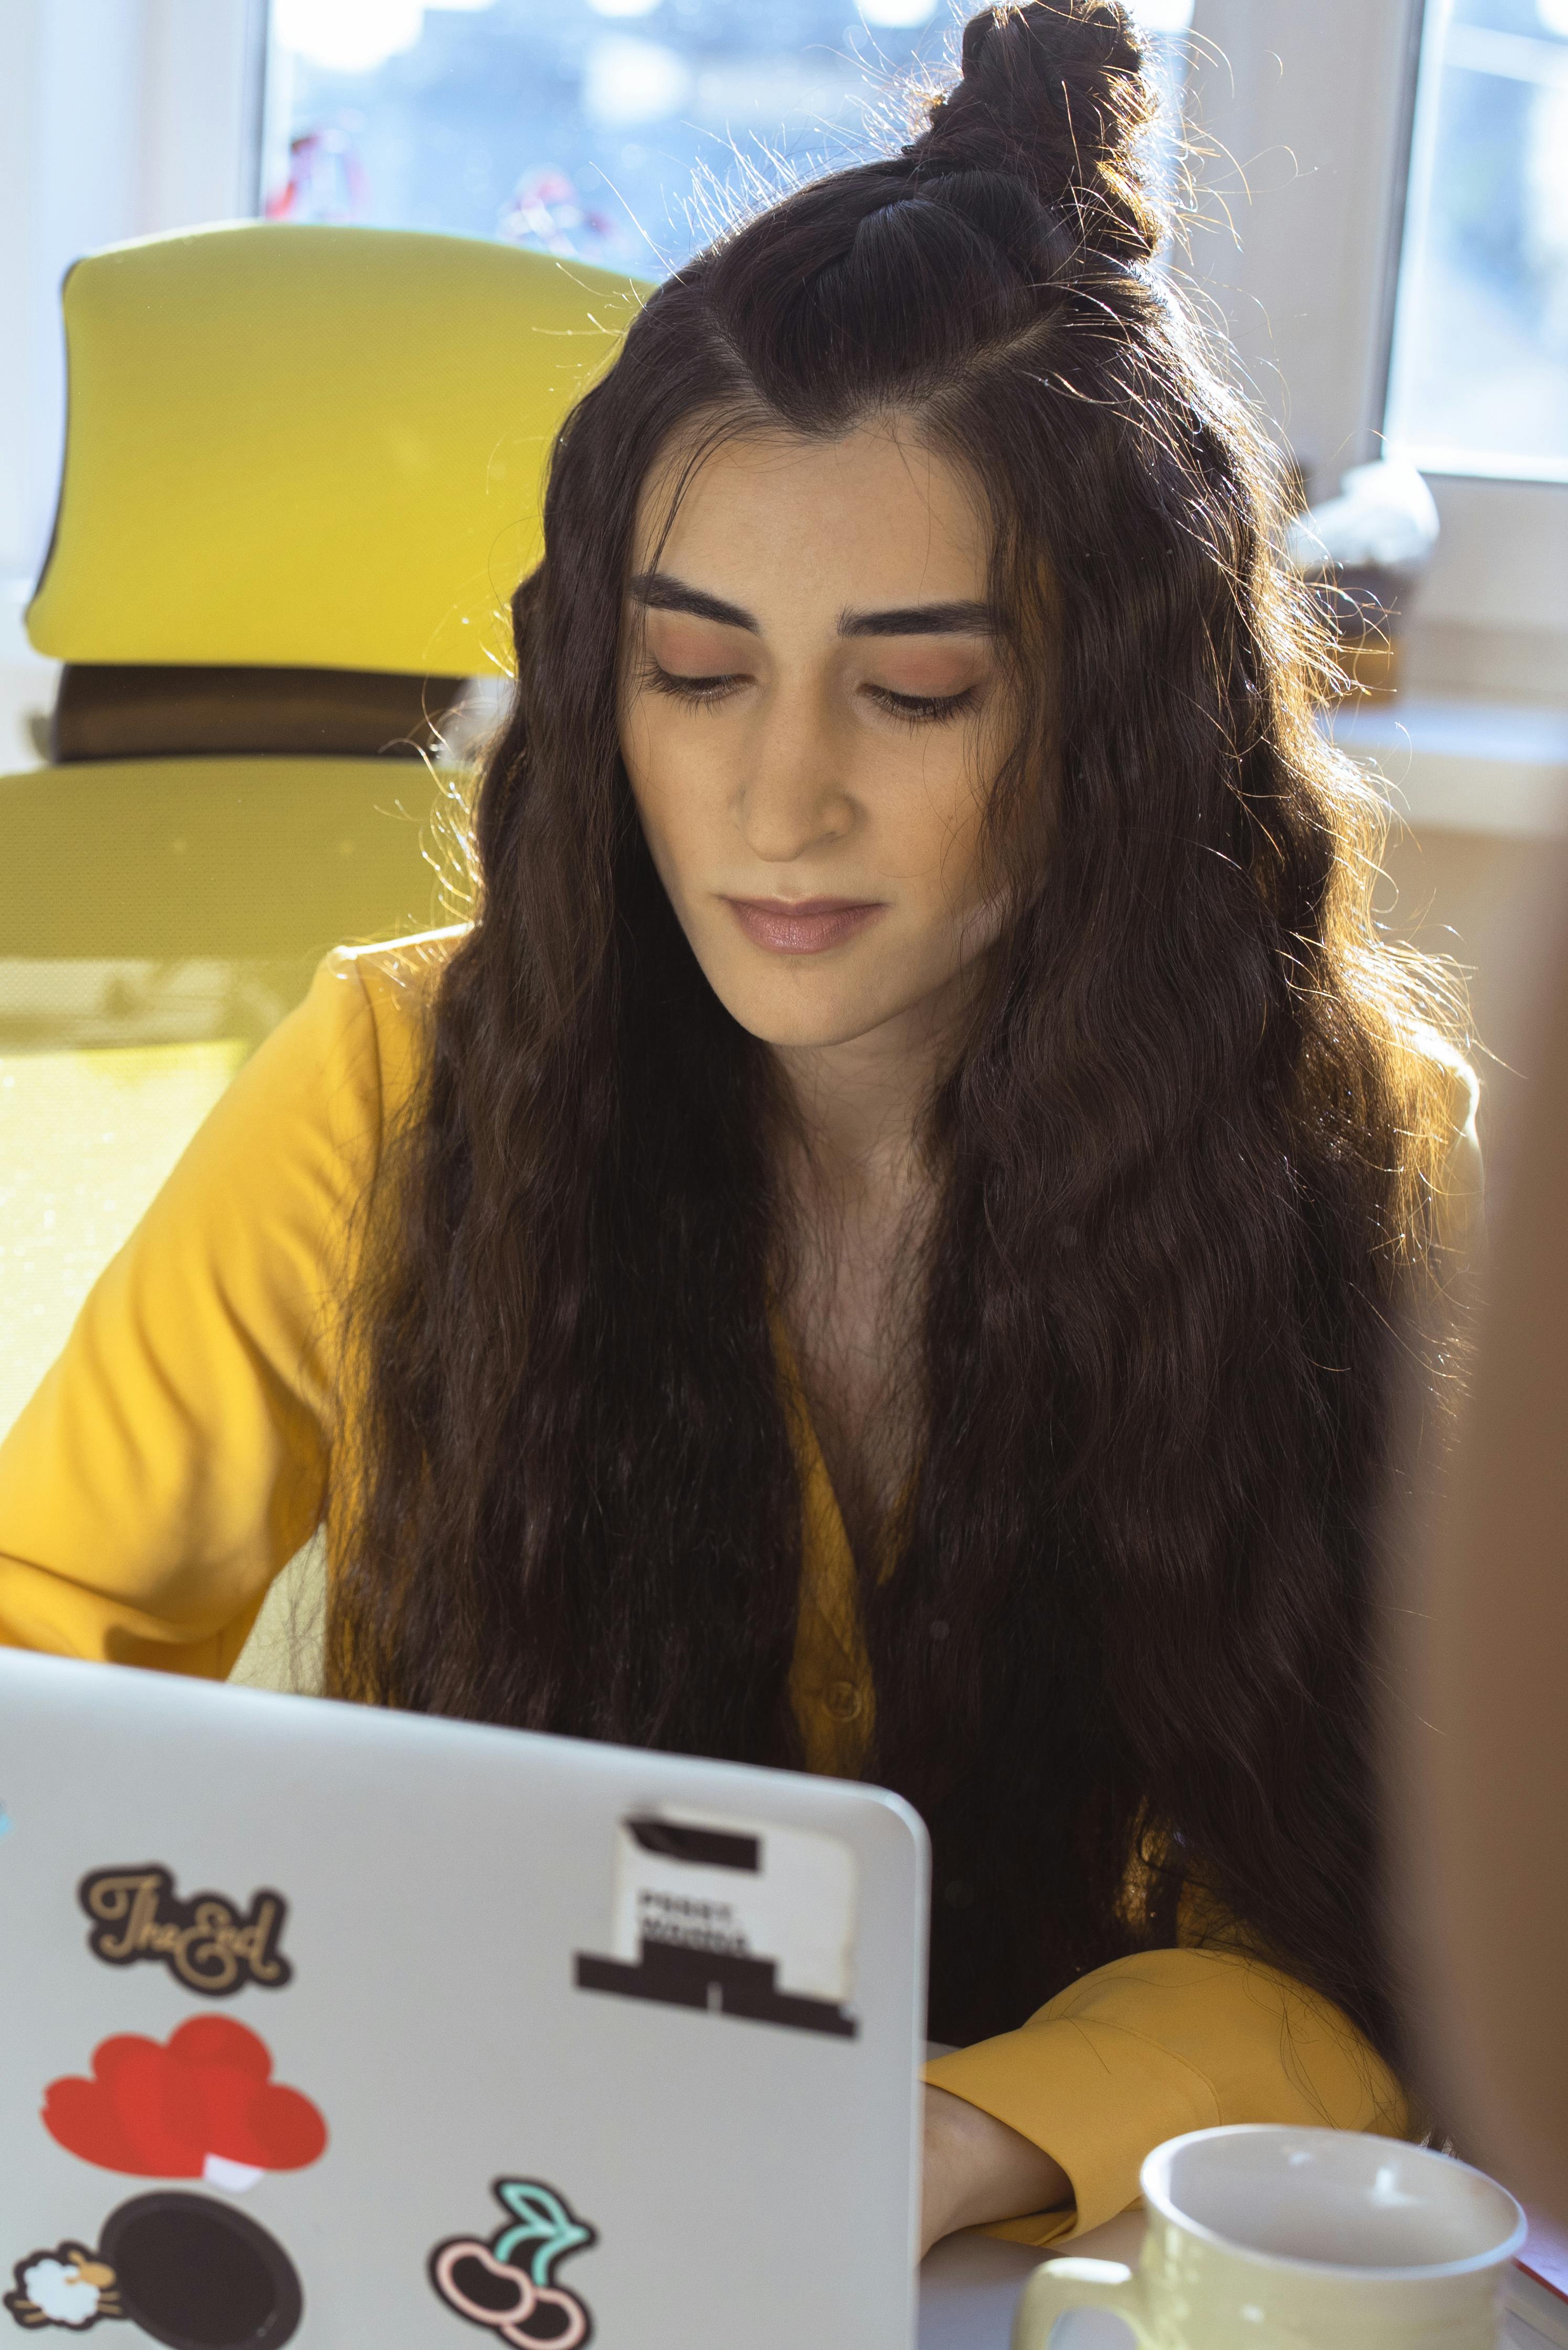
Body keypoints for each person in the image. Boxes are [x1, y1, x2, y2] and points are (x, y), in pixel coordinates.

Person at [0, 0, 1480, 2258]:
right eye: (694, 675)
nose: (775, 798)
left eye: (912, 691)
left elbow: (1393, 1890)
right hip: (474, 2208)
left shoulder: (1361, 1149)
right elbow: (38, 1667)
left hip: (1034, 2260)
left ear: (1124, 728)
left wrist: (954, 2137)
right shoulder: (391, 1087)